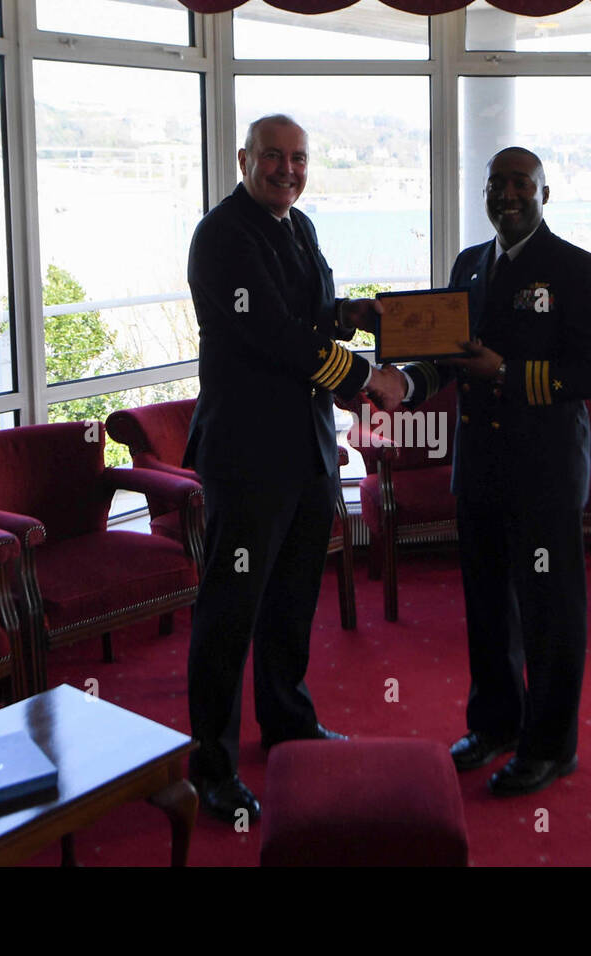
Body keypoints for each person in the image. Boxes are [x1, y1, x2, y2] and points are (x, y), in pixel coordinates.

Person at [375, 146, 591, 796]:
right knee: (487, 609)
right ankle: (495, 725)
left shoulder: (576, 269)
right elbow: (448, 360)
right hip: (479, 470)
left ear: (544, 194)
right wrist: (405, 381)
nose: (507, 194)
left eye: (521, 184)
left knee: (548, 613)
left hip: (543, 474)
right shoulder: (469, 267)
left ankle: (549, 747)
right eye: (497, 184)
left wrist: (509, 374)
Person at [183, 114, 403, 822]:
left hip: (306, 452)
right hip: (248, 459)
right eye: (273, 157)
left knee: (290, 602)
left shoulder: (295, 225)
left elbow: (306, 314)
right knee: (230, 612)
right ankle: (211, 768)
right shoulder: (221, 235)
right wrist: (365, 377)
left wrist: (358, 312)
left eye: (299, 158)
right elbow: (275, 334)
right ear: (243, 157)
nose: (287, 169)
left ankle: (287, 721)